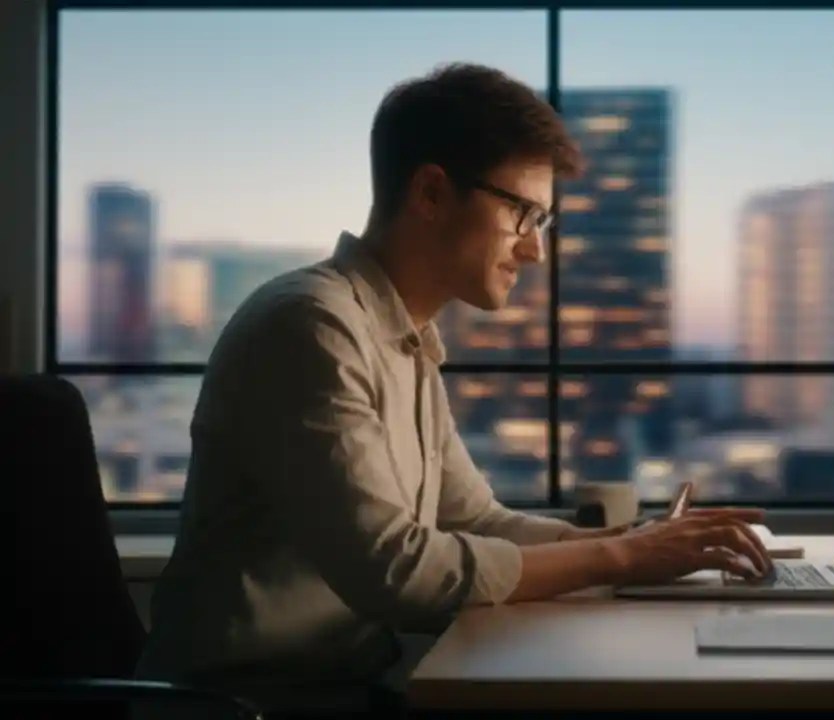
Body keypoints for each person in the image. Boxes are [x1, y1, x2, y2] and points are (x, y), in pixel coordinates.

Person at [134, 62, 772, 711]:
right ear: (432, 193)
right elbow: (400, 573)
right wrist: (623, 561)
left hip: (344, 688)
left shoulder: (405, 339)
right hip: (253, 704)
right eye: (523, 214)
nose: (535, 252)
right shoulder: (311, 327)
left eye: (542, 224)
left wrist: (634, 542)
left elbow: (473, 521)